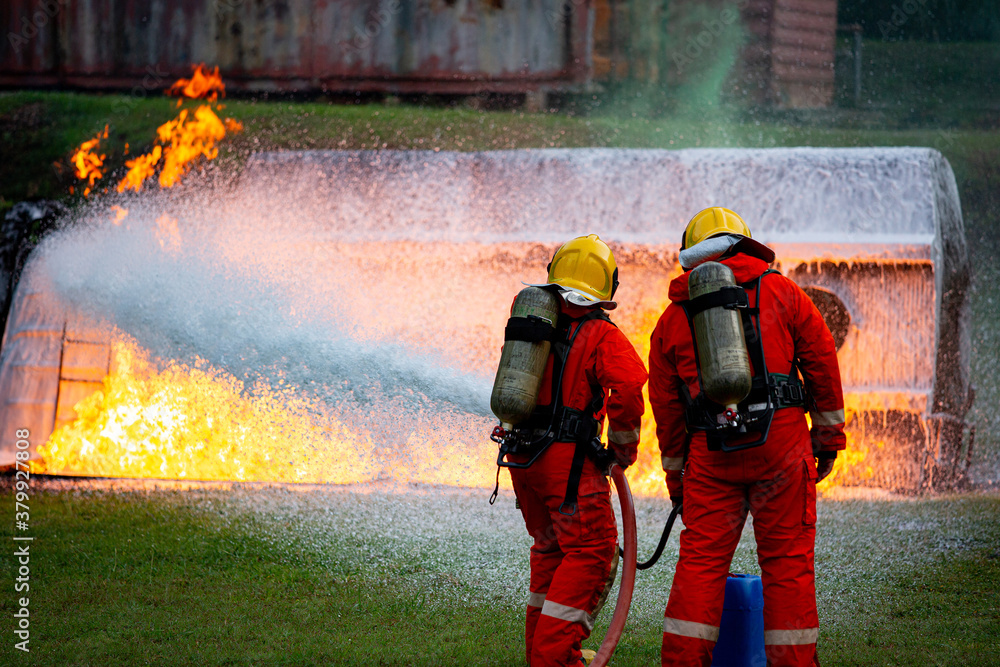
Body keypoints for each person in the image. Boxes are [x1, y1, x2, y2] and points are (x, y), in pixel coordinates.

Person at [648, 208, 846, 667]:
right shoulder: (783, 292)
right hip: (781, 445)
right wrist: (829, 438)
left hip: (710, 455)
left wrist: (677, 478)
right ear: (744, 245)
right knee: (787, 566)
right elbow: (822, 362)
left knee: (700, 565)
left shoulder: (672, 320)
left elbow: (668, 411)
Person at [502, 234, 647, 667]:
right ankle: (556, 660)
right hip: (567, 470)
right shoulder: (600, 334)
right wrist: (623, 448)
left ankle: (539, 657)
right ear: (605, 288)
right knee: (591, 552)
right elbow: (629, 386)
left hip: (523, 461)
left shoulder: (534, 321)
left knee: (550, 551)